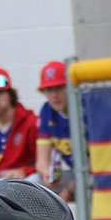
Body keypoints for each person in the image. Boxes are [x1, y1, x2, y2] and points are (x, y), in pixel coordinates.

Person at [34, 61, 75, 202]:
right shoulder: (47, 110)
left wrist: (69, 189)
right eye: (49, 90)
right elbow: (41, 161)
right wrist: (48, 173)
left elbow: (99, 166)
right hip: (75, 174)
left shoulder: (85, 108)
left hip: (99, 176)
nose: (54, 95)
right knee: (34, 182)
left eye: (60, 88)